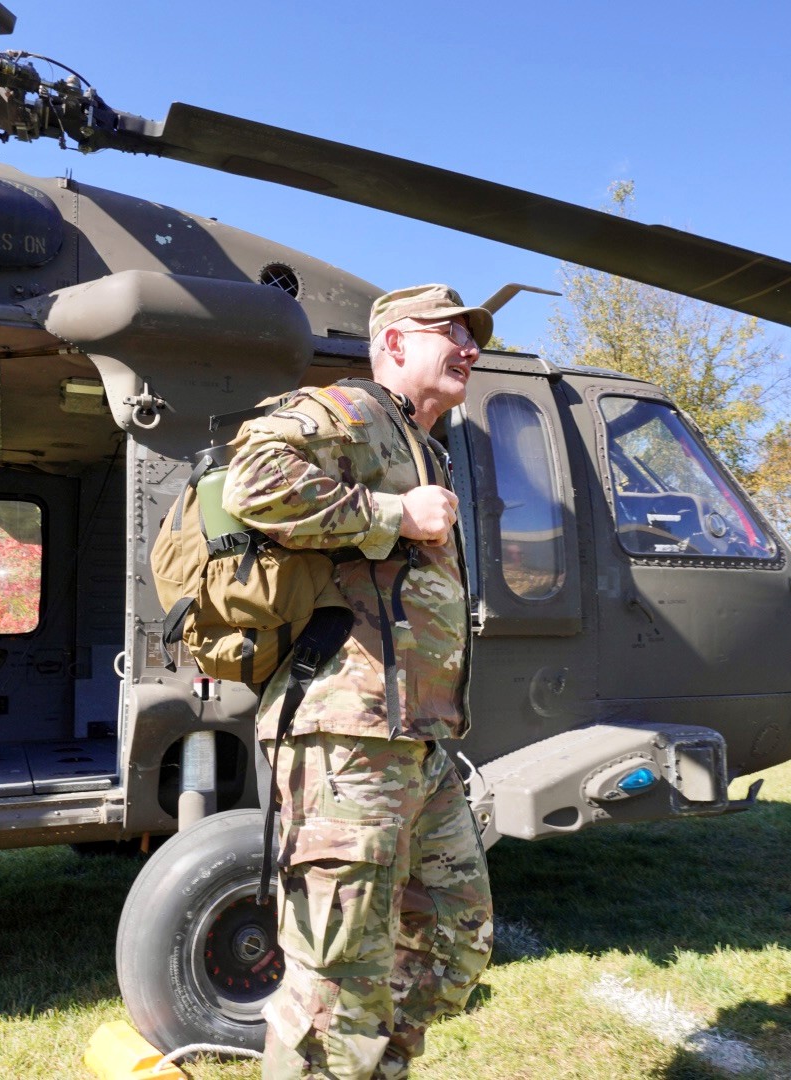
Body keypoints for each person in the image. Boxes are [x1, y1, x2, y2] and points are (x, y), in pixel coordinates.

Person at [222, 284, 495, 1078]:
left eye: (472, 337)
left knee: (452, 939)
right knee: (335, 983)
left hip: (416, 740)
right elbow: (253, 482)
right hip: (349, 737)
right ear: (395, 344)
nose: (470, 348)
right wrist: (395, 516)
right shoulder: (351, 410)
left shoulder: (423, 440)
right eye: (451, 333)